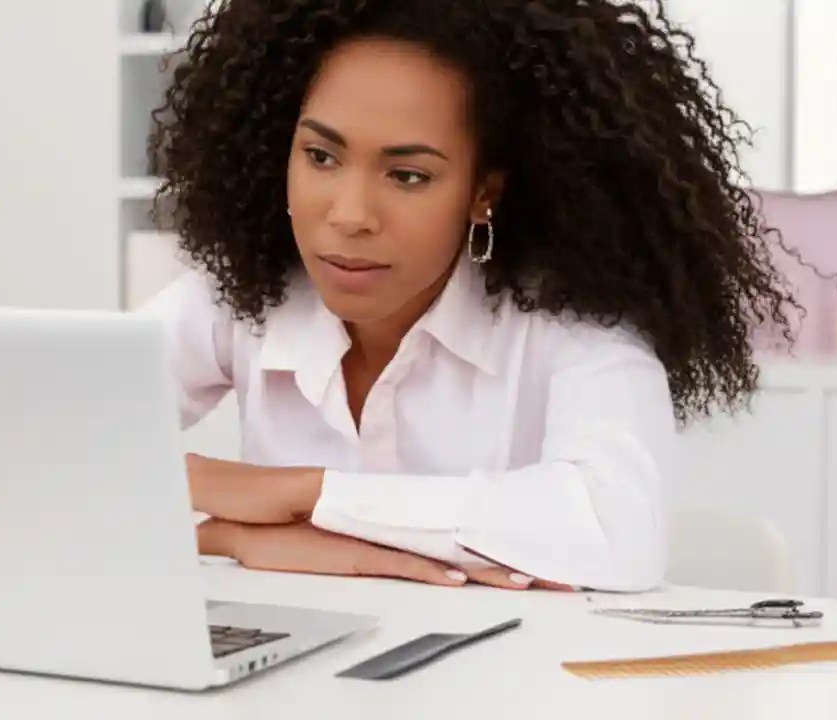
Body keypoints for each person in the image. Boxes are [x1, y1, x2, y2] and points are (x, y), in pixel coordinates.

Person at [139, 0, 801, 593]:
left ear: (484, 191)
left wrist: (298, 497)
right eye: (320, 157)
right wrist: (233, 535)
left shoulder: (574, 323)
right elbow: (44, 444)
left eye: (407, 175)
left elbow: (617, 534)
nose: (349, 214)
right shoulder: (240, 297)